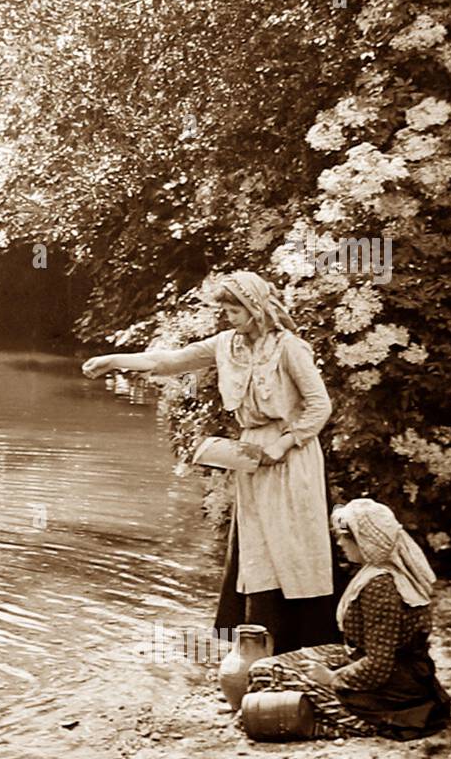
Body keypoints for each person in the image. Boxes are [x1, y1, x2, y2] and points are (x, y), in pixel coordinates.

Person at [82, 270, 337, 653]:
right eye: (225, 311)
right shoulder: (225, 345)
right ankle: (260, 641)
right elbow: (171, 360)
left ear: (255, 309)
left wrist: (283, 444)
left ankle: (308, 645)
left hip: (292, 454)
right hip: (252, 452)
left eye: (234, 310)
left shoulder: (289, 348)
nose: (228, 318)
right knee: (259, 544)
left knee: (295, 542)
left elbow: (320, 405)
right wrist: (114, 359)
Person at [244, 498, 451, 739]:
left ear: (365, 541)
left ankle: (355, 720)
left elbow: (379, 665)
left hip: (391, 689)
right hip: (380, 667)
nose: (340, 543)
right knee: (269, 668)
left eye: (345, 537)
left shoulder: (381, 586)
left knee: (263, 672)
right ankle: (304, 711)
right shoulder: (378, 572)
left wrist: (332, 677)